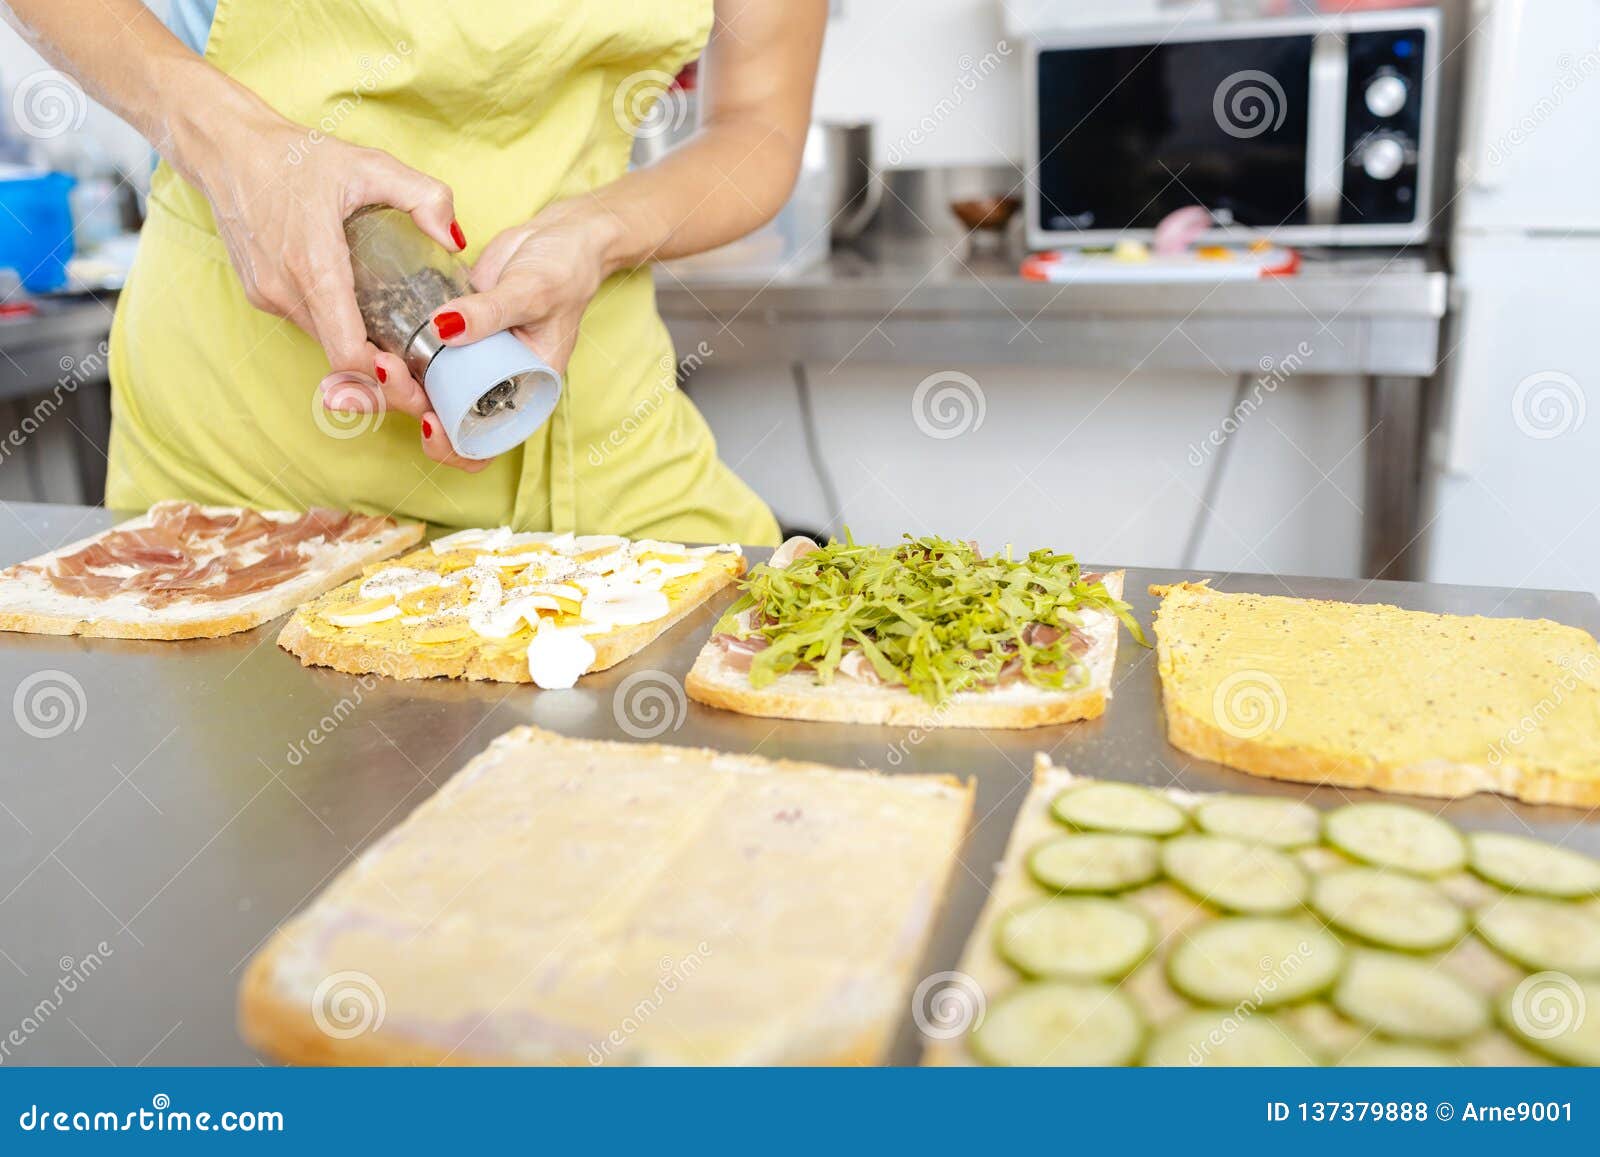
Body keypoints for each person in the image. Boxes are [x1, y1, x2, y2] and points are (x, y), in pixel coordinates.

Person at [6, 0, 828, 544]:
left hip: (593, 419)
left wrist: (599, 232)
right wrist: (239, 153)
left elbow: (757, 125)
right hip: (257, 459)